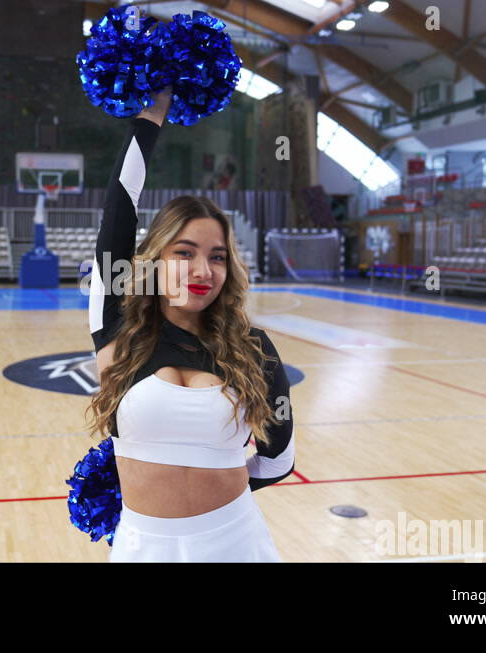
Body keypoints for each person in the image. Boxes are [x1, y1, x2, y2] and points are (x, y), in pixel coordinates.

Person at [85, 86, 296, 562]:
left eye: (217, 257)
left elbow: (279, 459)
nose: (203, 271)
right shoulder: (116, 326)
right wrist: (150, 119)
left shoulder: (254, 346)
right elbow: (118, 208)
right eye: (184, 253)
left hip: (236, 541)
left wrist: (217, 494)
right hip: (143, 546)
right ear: (155, 258)